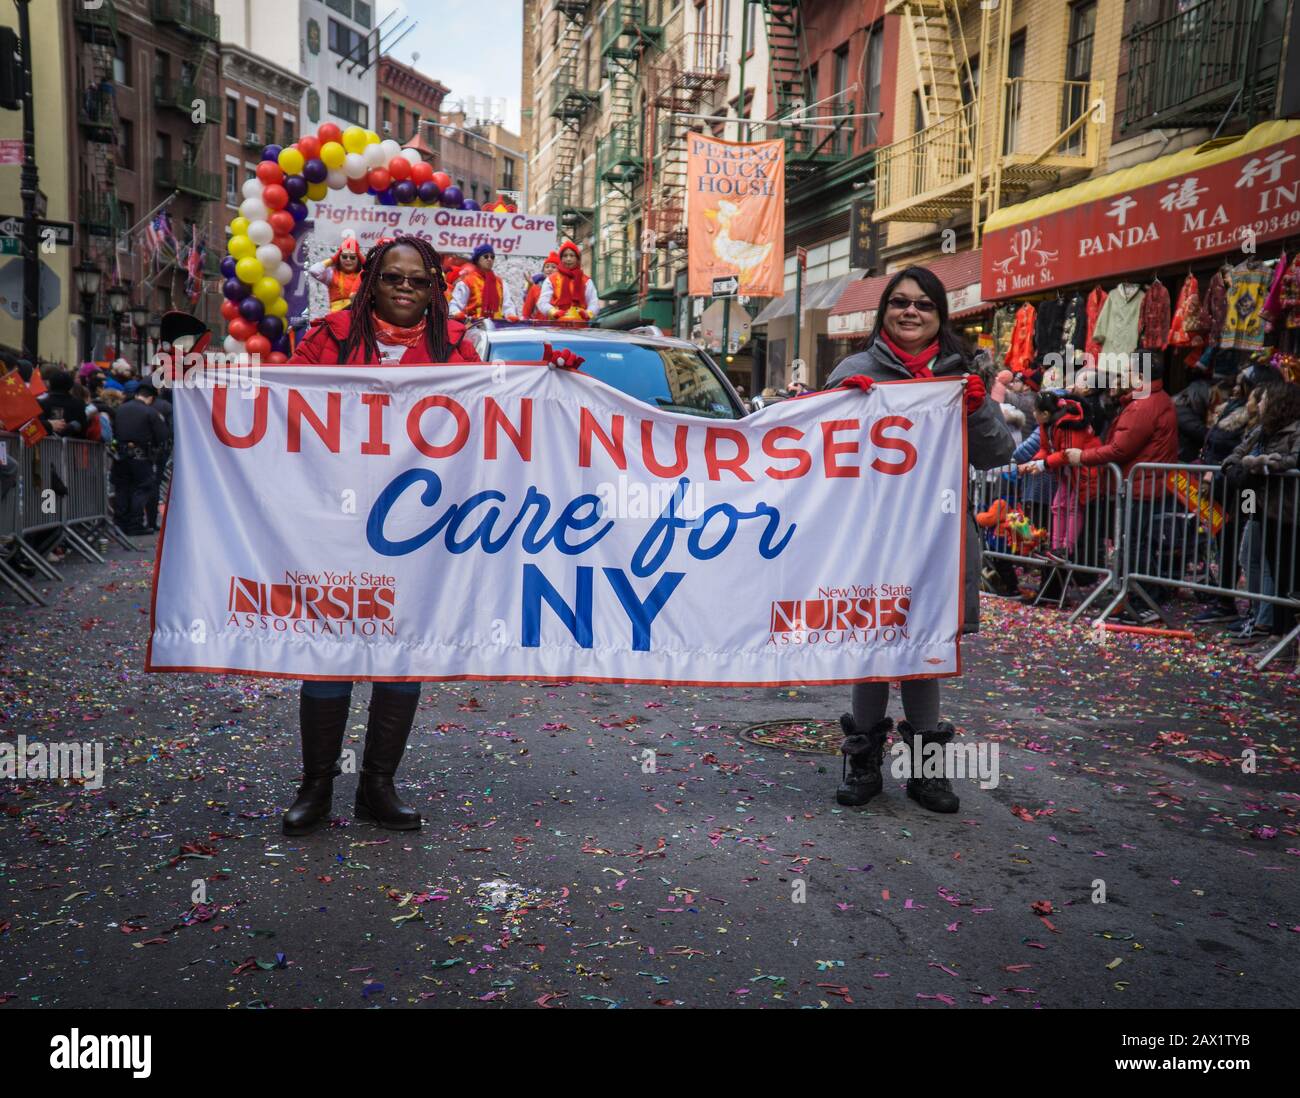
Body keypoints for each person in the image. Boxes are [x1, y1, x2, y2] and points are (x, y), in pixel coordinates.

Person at [283, 235, 481, 838]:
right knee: (328, 652)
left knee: (400, 653)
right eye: (392, 277)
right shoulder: (330, 336)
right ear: (371, 280)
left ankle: (377, 787)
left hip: (415, 527)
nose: (404, 288)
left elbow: (498, 418)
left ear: (433, 288)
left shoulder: (458, 346)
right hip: (335, 518)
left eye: (417, 281)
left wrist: (553, 384)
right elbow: (280, 402)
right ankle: (315, 787)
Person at [825, 266, 1015, 813]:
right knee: (874, 650)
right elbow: (813, 453)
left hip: (938, 540)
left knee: (925, 653)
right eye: (900, 303)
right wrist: (844, 409)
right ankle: (862, 766)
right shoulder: (853, 370)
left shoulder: (962, 375)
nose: (911, 312)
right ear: (884, 311)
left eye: (924, 305)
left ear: (940, 316)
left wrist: (977, 408)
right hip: (870, 539)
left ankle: (927, 775)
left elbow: (998, 452)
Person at [1065, 359, 1178, 624]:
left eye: (1128, 371)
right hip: (1144, 483)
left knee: (1136, 544)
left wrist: (1083, 456)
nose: (1123, 376)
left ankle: (1143, 601)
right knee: (1137, 543)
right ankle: (1140, 596)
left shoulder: (1143, 404)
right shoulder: (1149, 400)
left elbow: (1120, 448)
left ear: (1140, 375)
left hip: (1141, 485)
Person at [1220, 380, 1300, 664]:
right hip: (1254, 502)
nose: (1259, 403)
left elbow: (1292, 461)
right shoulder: (1260, 430)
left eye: (1265, 398)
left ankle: (1275, 630)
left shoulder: (1293, 431)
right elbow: (1232, 457)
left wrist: (1268, 463)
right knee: (1251, 555)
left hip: (1284, 511)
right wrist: (1248, 465)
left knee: (1280, 574)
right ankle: (1262, 622)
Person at [110, 382, 167, 535]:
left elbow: (113, 430)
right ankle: (135, 524)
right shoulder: (150, 412)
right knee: (141, 489)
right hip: (141, 456)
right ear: (151, 398)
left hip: (121, 455)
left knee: (122, 489)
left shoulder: (120, 409)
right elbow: (162, 435)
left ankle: (120, 523)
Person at [538, 240, 600, 323]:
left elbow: (594, 303)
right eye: (565, 256)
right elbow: (542, 303)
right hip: (556, 327)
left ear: (577, 259)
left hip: (580, 328)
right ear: (560, 259)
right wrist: (554, 312)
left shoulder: (586, 281)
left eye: (572, 255)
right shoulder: (551, 279)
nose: (568, 259)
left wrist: (588, 313)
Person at [451, 243, 516, 321]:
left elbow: (507, 306)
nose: (489, 259)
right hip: (474, 327)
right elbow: (454, 305)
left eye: (492, 257)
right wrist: (457, 314)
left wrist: (510, 315)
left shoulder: (501, 283)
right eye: (486, 256)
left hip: (497, 327)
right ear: (477, 259)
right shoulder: (467, 282)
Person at [307, 232, 365, 312]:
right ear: (339, 257)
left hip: (357, 316)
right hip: (337, 318)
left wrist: (364, 261)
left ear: (358, 259)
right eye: (344, 256)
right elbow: (313, 270)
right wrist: (333, 259)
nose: (348, 260)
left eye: (352, 257)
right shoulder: (332, 274)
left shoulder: (363, 275)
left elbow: (375, 272)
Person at [37, 369, 87, 438]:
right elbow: (83, 427)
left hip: (45, 446)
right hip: (72, 446)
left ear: (50, 383)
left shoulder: (42, 403)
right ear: (70, 385)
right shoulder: (79, 404)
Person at [522, 253, 559, 320]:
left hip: (558, 327)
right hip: (539, 327)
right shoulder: (535, 288)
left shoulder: (564, 287)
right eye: (547, 267)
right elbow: (526, 313)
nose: (549, 269)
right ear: (543, 270)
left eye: (553, 267)